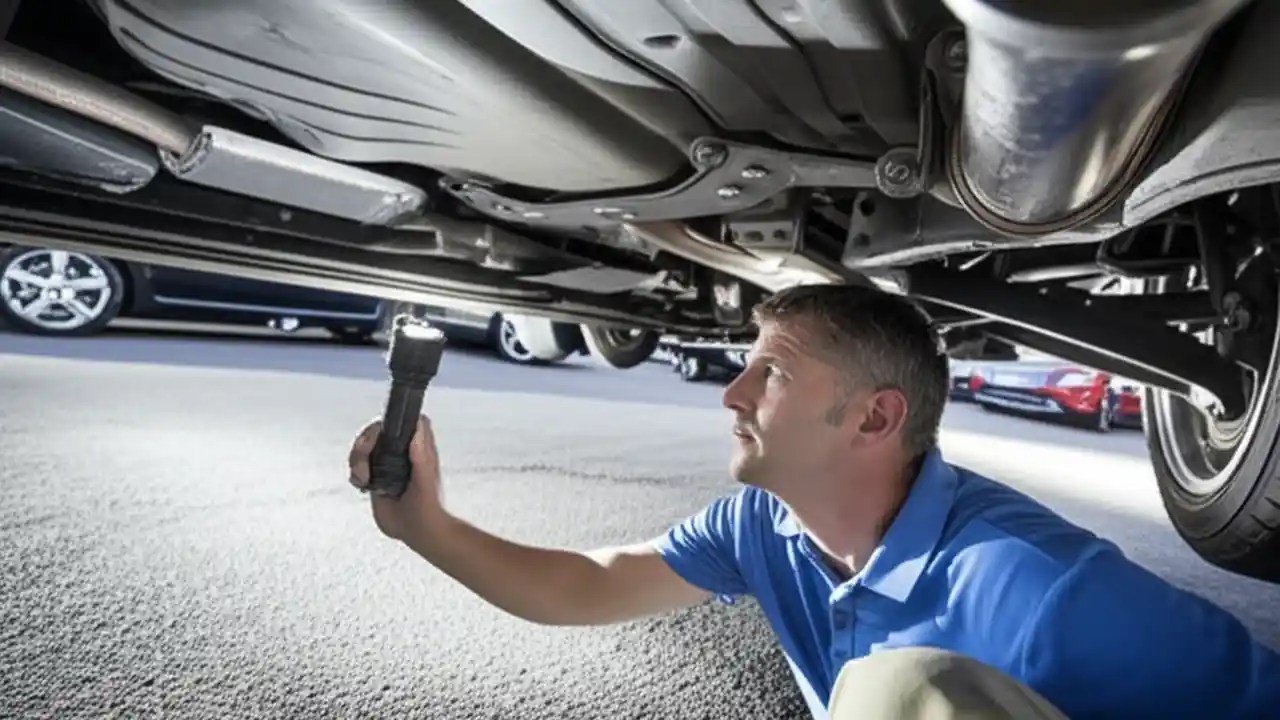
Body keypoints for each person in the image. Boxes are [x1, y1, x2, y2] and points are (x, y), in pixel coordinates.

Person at [347, 283, 1280, 719]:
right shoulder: (765, 525)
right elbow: (591, 584)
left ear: (874, 419)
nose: (732, 394)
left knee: (899, 694)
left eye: (774, 374)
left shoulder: (1045, 594)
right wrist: (426, 525)